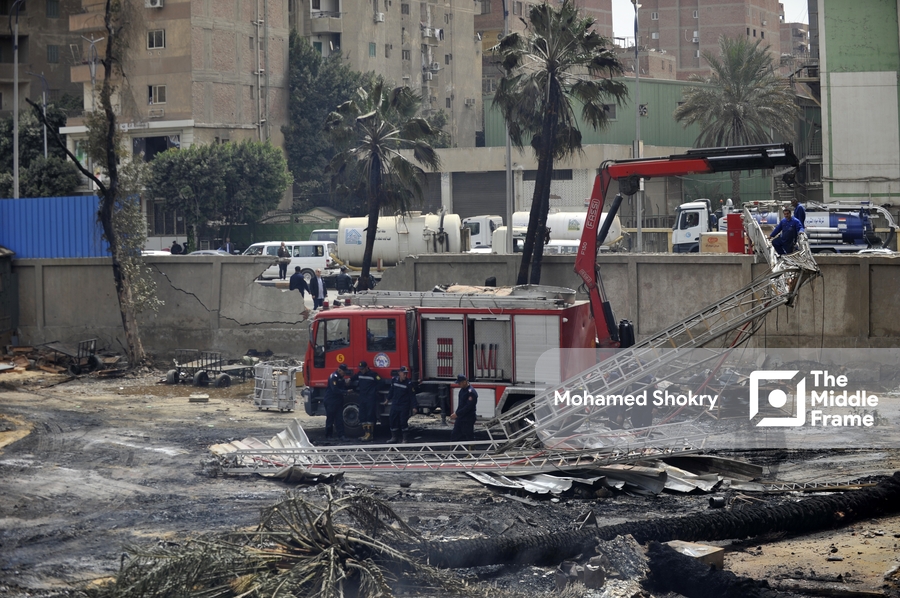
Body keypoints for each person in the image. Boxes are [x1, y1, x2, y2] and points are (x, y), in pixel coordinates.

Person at [351, 361, 385, 442]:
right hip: (362, 397)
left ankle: (370, 434)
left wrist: (374, 390)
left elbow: (381, 382)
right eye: (360, 369)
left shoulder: (373, 374)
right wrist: (349, 379)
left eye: (362, 369)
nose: (361, 370)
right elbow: (354, 377)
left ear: (366, 367)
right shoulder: (360, 374)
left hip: (370, 398)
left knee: (370, 415)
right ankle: (366, 433)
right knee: (362, 415)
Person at [386, 366, 417, 443]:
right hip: (395, 404)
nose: (405, 375)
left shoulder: (408, 383)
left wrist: (414, 407)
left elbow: (412, 396)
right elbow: (391, 391)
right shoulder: (394, 380)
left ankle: (405, 439)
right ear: (399, 373)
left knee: (403, 421)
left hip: (404, 405)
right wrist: (387, 399)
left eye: (406, 374)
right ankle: (394, 437)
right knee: (393, 420)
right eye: (404, 373)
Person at [324, 364, 349, 441]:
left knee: (339, 419)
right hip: (331, 401)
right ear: (339, 370)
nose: (344, 374)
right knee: (330, 419)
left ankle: (341, 435)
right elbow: (335, 389)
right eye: (343, 372)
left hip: (338, 401)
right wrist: (346, 392)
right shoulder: (334, 377)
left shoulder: (340, 377)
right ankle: (328, 436)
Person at [450, 374, 478, 442]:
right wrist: (456, 413)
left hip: (468, 418)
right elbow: (460, 404)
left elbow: (468, 407)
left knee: (469, 435)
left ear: (464, 382)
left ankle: (471, 448)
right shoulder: (462, 390)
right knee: (455, 434)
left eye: (459, 383)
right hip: (461, 417)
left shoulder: (471, 392)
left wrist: (458, 414)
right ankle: (453, 448)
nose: (458, 385)